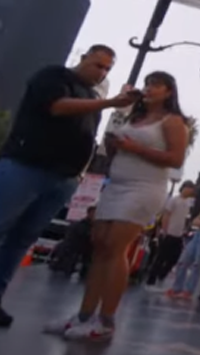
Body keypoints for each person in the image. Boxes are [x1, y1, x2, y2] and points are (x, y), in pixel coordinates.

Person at [47, 71, 189, 342]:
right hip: (117, 184)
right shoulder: (135, 117)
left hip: (144, 188)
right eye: (147, 84)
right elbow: (119, 149)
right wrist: (116, 146)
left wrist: (133, 148)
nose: (149, 89)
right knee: (99, 244)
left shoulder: (173, 122)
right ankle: (84, 315)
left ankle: (106, 322)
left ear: (169, 92)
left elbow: (175, 158)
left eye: (156, 85)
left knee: (115, 247)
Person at [0, 45, 128, 328]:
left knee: (22, 238)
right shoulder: (54, 76)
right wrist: (109, 104)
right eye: (98, 65)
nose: (102, 72)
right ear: (84, 59)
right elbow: (57, 106)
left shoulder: (92, 99)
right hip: (27, 166)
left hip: (63, 178)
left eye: (107, 68)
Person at [147, 180, 195, 285]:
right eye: (190, 189)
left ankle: (161, 275)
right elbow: (166, 215)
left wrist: (184, 229)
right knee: (161, 257)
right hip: (169, 233)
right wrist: (165, 230)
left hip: (178, 234)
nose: (191, 192)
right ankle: (151, 280)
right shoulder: (174, 200)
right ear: (185, 188)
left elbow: (185, 218)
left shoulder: (187, 203)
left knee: (175, 257)